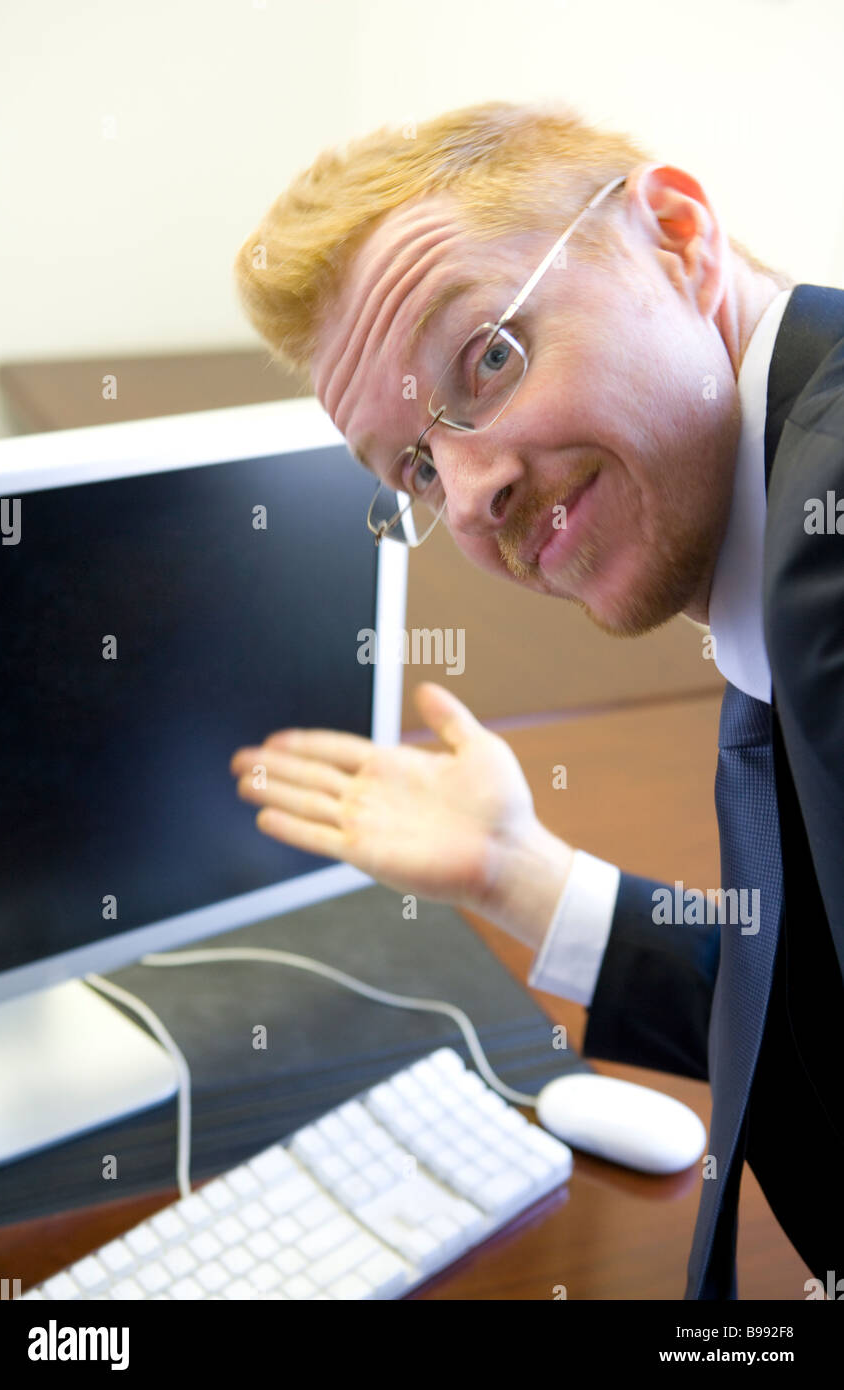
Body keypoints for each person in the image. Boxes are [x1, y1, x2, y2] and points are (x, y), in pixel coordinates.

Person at [228, 102, 844, 1299]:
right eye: (412, 466)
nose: (467, 497)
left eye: (489, 360)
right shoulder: (775, 528)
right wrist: (517, 870)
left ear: (675, 234)